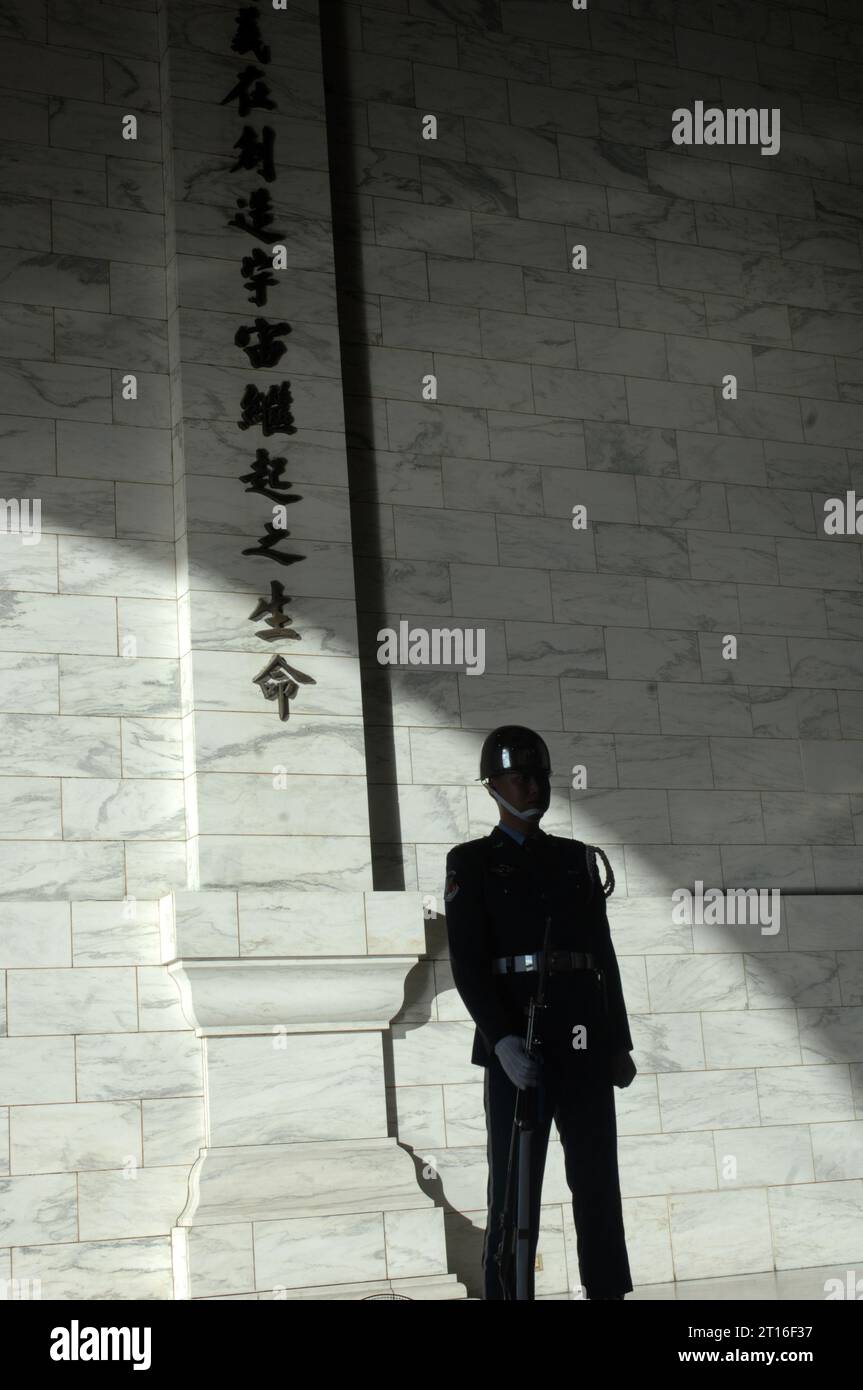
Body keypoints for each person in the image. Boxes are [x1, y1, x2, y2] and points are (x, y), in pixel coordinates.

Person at [443, 725, 636, 1301]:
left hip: (581, 1037)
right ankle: (507, 1294)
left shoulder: (576, 860)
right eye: (519, 776)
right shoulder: (472, 862)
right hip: (516, 1048)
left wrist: (616, 1041)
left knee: (597, 1179)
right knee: (513, 1185)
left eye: (539, 776)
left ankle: (609, 1292)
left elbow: (603, 957)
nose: (533, 786)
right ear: (493, 786)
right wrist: (499, 1040)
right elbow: (468, 964)